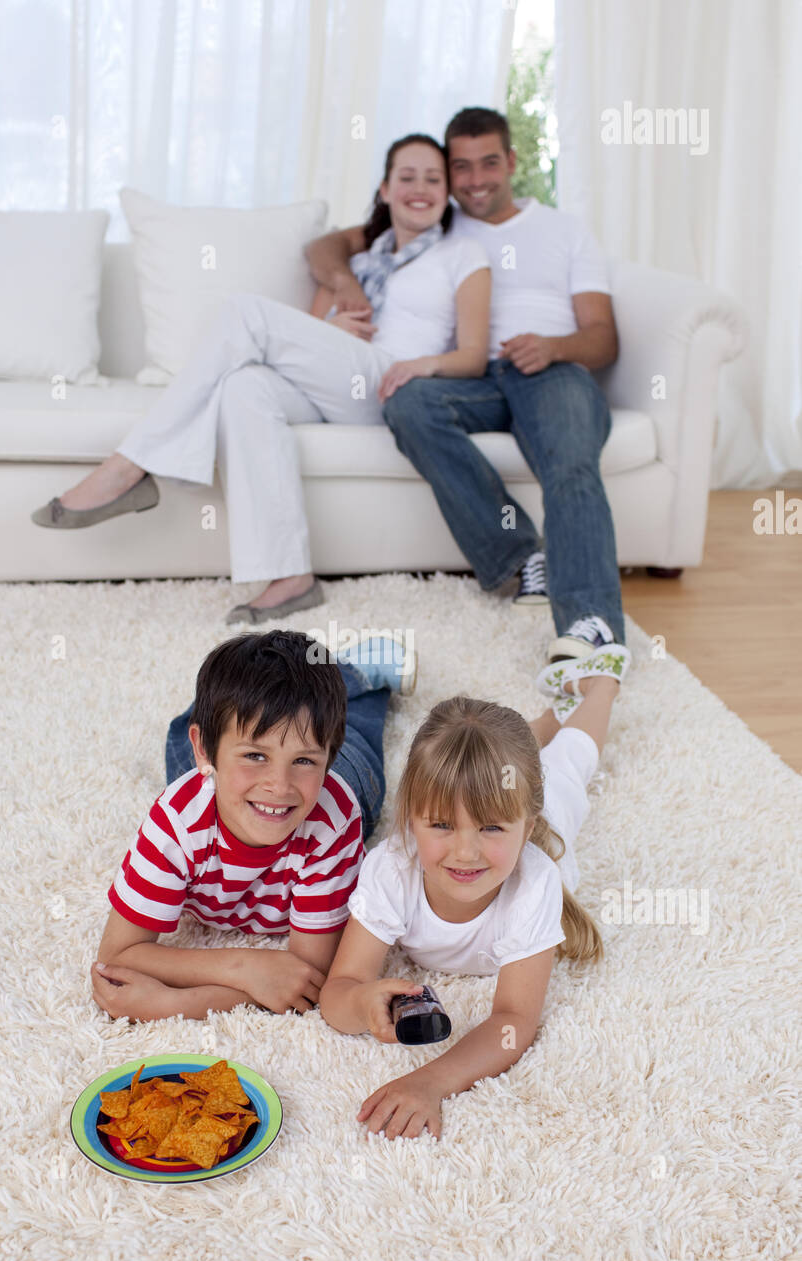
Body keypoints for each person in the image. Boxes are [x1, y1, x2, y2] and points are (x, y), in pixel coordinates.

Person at [32, 134, 491, 627]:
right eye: (407, 177)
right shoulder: (356, 263)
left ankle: (129, 467)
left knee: (245, 313)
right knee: (242, 386)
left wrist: (424, 364)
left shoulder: (463, 255)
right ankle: (290, 576)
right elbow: (310, 336)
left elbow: (474, 356)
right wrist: (329, 326)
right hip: (338, 382)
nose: (419, 188)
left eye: (433, 179)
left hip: (395, 386)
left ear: (447, 193)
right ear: (383, 188)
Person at [306, 106, 626, 665]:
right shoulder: (437, 220)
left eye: (489, 164)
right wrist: (343, 282)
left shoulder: (563, 229)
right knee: (406, 403)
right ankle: (520, 555)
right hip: (477, 379)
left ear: (513, 162)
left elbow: (604, 339)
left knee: (570, 465)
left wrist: (554, 346)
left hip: (549, 372)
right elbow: (324, 247)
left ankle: (590, 630)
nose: (476, 180)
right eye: (462, 167)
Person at [318, 639, 632, 1140]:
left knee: (570, 761)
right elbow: (338, 990)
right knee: (488, 767)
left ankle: (601, 685)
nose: (465, 853)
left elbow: (515, 1020)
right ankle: (549, 716)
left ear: (526, 829)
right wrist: (361, 1003)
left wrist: (430, 1082)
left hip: (543, 805)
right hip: (504, 790)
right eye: (441, 825)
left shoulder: (536, 880)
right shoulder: (390, 868)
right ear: (409, 822)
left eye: (490, 829)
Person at [91, 627, 417, 1024]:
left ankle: (355, 672)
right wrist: (243, 967)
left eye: (304, 760)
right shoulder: (177, 821)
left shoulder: (332, 822)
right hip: (219, 781)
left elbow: (306, 979)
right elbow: (116, 956)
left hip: (342, 779)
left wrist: (176, 1005)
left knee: (356, 730)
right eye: (254, 756)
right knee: (189, 736)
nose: (278, 786)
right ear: (204, 749)